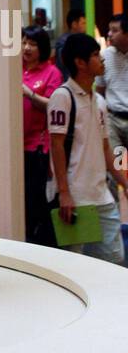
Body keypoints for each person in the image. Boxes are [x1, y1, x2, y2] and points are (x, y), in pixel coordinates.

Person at [48, 34, 128, 265]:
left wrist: (124, 182)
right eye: (94, 55)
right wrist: (64, 192)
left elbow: (105, 149)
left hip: (102, 194)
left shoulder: (100, 102)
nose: (101, 59)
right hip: (76, 197)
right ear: (79, 62)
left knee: (114, 259)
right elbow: (57, 145)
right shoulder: (62, 97)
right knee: (77, 263)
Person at [21, 27, 61, 246]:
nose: (26, 48)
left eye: (33, 44)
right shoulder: (15, 68)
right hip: (14, 145)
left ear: (42, 48)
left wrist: (30, 94)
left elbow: (55, 105)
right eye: (24, 42)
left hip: (37, 146)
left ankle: (41, 244)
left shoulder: (52, 72)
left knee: (36, 199)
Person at [99, 12, 128, 168]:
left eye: (115, 30)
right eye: (109, 30)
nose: (109, 34)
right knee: (119, 166)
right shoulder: (104, 56)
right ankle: (120, 193)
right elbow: (100, 89)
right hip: (114, 120)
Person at [54, 7, 86, 73]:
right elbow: (64, 63)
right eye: (83, 23)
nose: (86, 26)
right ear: (74, 24)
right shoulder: (63, 41)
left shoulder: (82, 38)